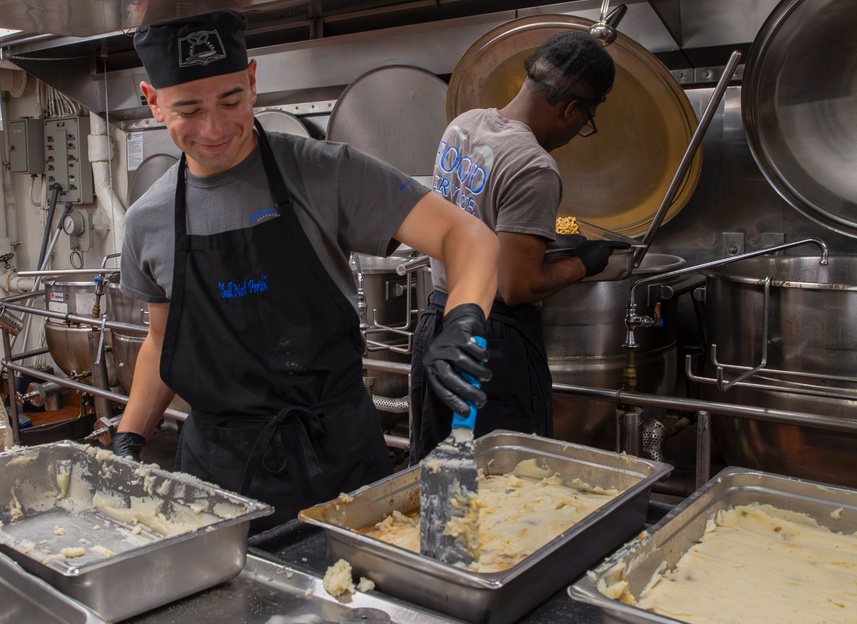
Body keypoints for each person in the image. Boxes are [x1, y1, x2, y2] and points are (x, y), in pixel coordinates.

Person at [111, 10, 498, 529]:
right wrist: (128, 441)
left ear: (251, 81)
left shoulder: (323, 173)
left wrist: (465, 316)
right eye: (189, 109)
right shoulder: (147, 221)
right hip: (219, 481)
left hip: (340, 461)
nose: (214, 127)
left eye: (230, 100)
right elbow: (161, 343)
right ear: (153, 101)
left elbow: (467, 235)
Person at [410, 30, 626, 461]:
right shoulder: (534, 166)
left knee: (435, 472)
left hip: (438, 323)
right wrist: (584, 263)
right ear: (571, 109)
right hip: (494, 343)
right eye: (587, 121)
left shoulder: (463, 125)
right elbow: (517, 285)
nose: (579, 129)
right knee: (504, 479)